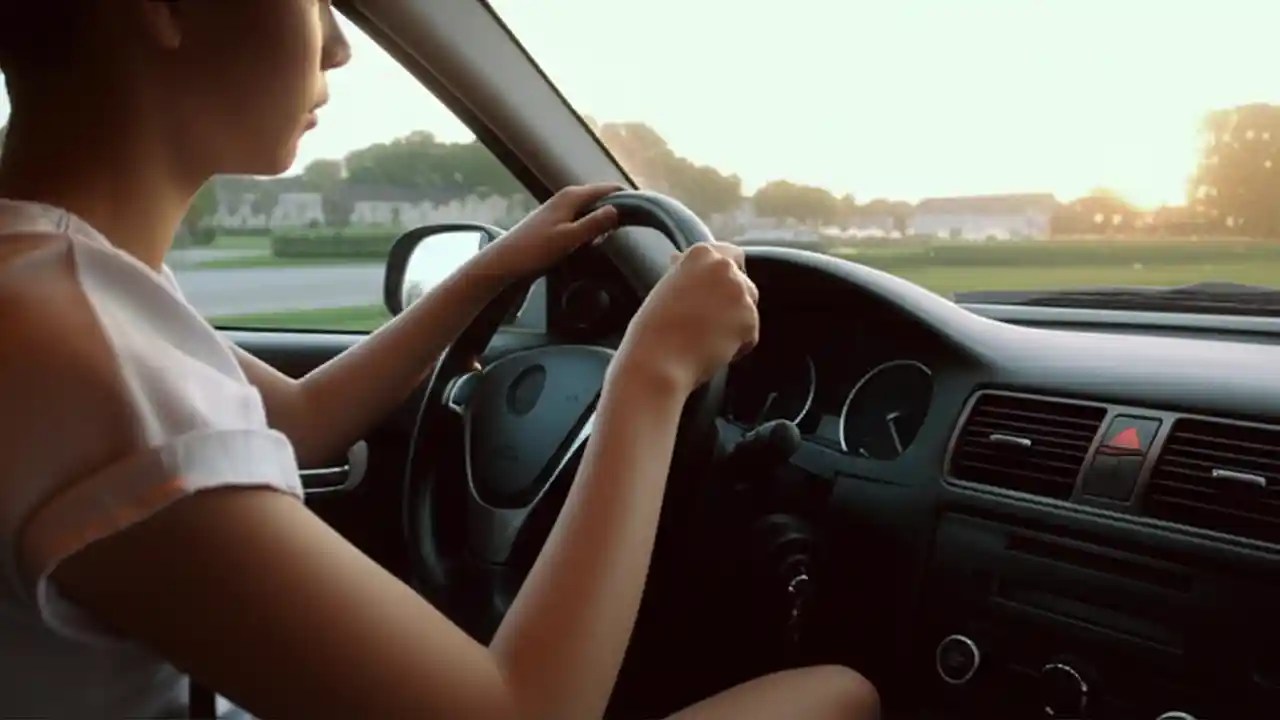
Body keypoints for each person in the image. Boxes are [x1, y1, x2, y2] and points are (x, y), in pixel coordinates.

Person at [0, 2, 880, 718]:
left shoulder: (60, 288)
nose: (340, 45)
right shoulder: (73, 340)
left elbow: (298, 420)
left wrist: (489, 270)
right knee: (844, 694)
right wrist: (651, 377)